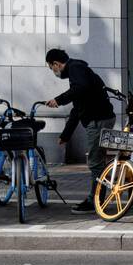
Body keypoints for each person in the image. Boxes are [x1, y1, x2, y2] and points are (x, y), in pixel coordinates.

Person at [44, 48, 114, 213]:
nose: (53, 71)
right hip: (101, 118)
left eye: (51, 68)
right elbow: (77, 109)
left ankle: (95, 201)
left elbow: (80, 90)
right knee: (98, 161)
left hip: (98, 120)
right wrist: (66, 135)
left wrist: (58, 100)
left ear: (56, 64)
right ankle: (97, 196)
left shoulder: (76, 69)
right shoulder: (78, 72)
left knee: (96, 163)